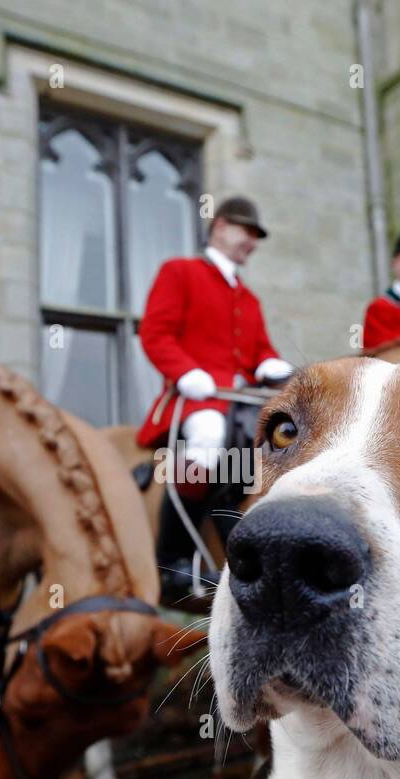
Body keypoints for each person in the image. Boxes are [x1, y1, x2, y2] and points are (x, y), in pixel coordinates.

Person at [135, 196, 292, 602]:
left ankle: (236, 559)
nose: (252, 243)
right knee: (207, 438)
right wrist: (186, 371)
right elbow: (155, 333)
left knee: (251, 464)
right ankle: (172, 561)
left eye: (257, 237)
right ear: (220, 227)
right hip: (196, 399)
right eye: (247, 232)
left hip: (238, 402)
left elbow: (259, 353)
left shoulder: (249, 298)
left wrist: (272, 365)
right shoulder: (180, 272)